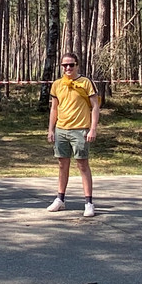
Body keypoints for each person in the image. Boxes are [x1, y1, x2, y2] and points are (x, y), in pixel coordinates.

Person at [46, 52, 101, 217]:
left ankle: (89, 202)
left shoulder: (86, 83)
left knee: (82, 165)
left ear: (77, 65)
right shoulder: (57, 84)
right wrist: (51, 129)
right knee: (62, 164)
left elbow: (95, 107)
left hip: (80, 129)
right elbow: (54, 108)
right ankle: (60, 199)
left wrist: (93, 129)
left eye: (71, 65)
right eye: (64, 65)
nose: (68, 68)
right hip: (62, 129)